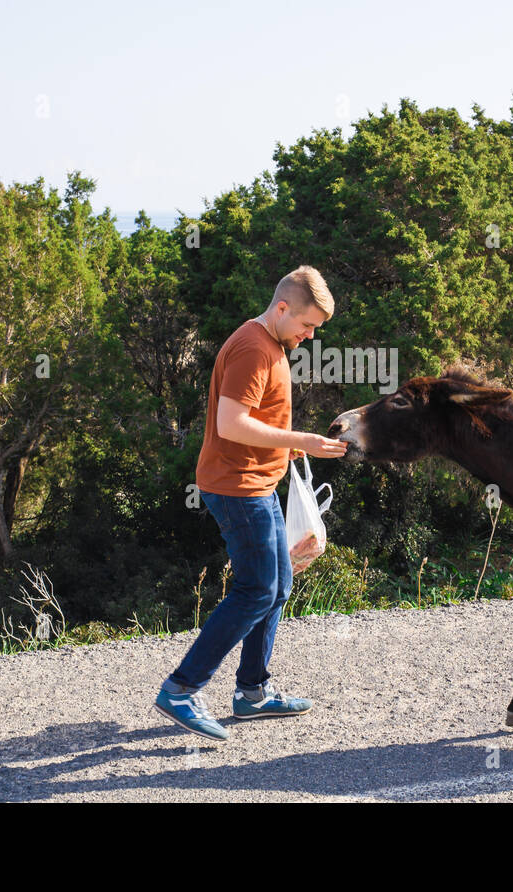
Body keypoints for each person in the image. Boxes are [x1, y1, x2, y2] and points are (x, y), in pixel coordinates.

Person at [154, 266, 348, 741]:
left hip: (258, 482)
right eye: (307, 324)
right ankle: (181, 689)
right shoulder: (253, 348)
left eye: (316, 329)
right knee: (257, 589)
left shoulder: (274, 344)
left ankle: (252, 693)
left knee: (277, 585)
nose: (310, 334)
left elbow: (257, 423)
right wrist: (299, 436)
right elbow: (231, 424)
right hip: (237, 487)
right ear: (282, 308)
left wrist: (288, 446)